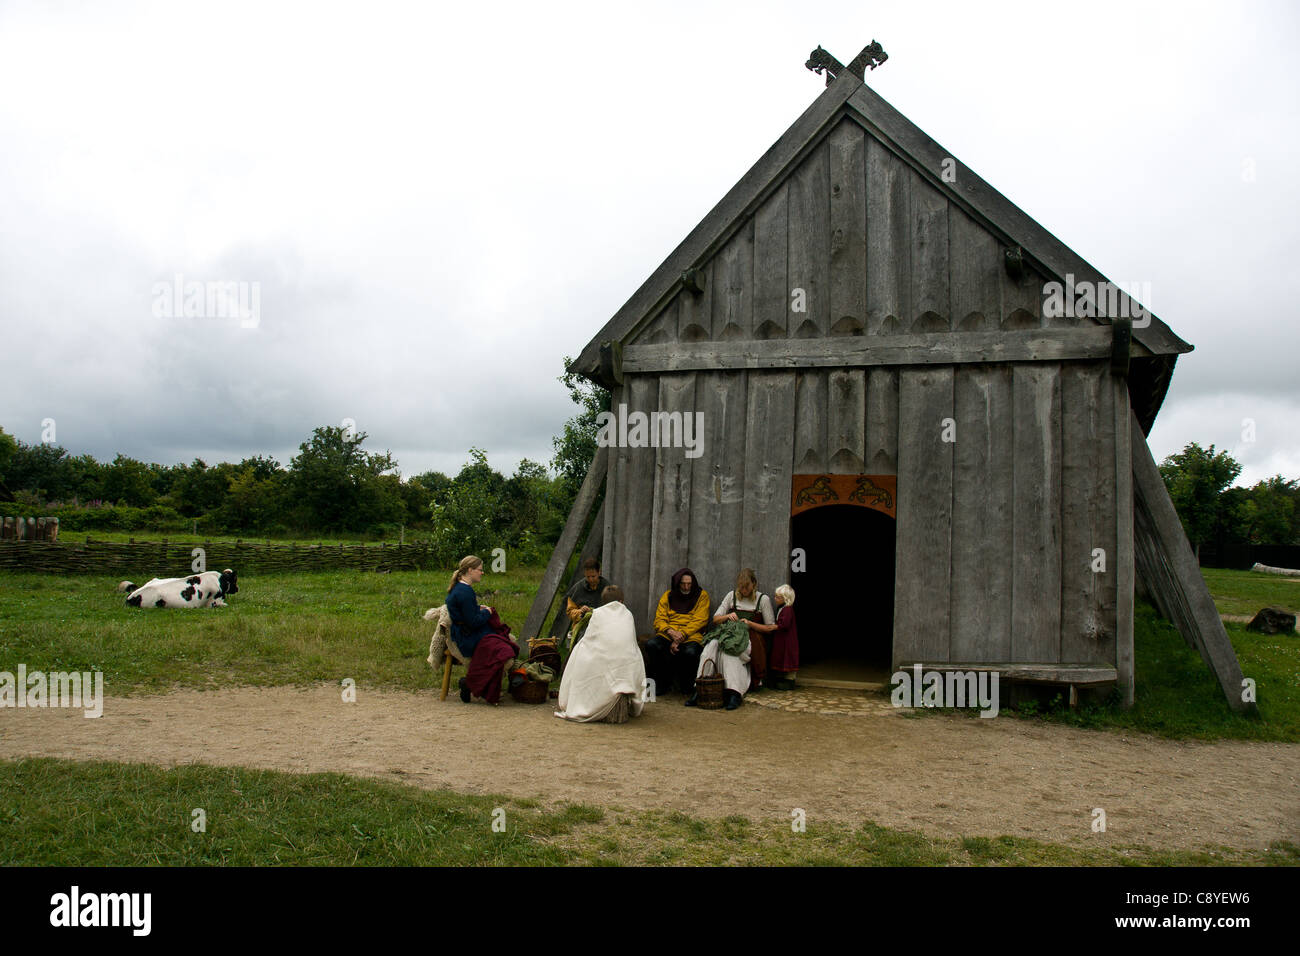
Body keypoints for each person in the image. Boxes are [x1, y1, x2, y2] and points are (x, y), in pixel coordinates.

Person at [554, 585, 646, 724]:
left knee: (580, 651)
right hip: (625, 663)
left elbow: (590, 639)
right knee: (636, 654)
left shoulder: (597, 614)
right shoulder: (628, 614)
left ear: (604, 602)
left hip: (603, 659)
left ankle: (584, 699)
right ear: (621, 601)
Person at [688, 568, 775, 710]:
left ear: (754, 584)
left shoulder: (762, 599)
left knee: (730, 651)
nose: (744, 590)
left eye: (747, 586)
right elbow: (716, 619)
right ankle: (700, 689)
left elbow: (771, 627)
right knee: (711, 646)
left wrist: (750, 624)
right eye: (741, 587)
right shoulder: (731, 596)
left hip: (749, 637)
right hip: (728, 634)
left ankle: (734, 692)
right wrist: (727, 616)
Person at [445, 554, 519, 705]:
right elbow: (473, 622)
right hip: (467, 638)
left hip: (468, 632)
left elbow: (465, 612)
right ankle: (470, 684)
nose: (482, 572)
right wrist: (488, 612)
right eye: (480, 569)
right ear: (470, 570)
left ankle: (471, 683)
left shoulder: (461, 588)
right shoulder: (465, 592)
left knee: (504, 642)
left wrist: (478, 608)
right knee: (504, 651)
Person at [644, 567, 710, 695]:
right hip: (669, 633)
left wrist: (681, 636)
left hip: (691, 635)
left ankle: (687, 687)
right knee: (652, 645)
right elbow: (659, 619)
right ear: (677, 583)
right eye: (683, 584)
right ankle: (660, 685)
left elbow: (700, 620)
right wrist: (670, 631)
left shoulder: (702, 596)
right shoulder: (668, 595)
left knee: (691, 652)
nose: (686, 587)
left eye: (689, 584)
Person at [747, 584, 798, 690]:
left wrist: (774, 626)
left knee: (787, 656)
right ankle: (780, 678)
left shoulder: (787, 609)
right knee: (780, 656)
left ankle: (789, 681)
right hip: (781, 639)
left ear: (786, 598)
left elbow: (785, 624)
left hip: (787, 640)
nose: (775, 599)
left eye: (778, 597)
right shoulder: (782, 608)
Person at [564, 558, 612, 625]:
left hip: (603, 625)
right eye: (588, 577)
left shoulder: (607, 588)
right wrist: (580, 612)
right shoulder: (578, 588)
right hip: (582, 627)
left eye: (593, 576)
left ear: (599, 572)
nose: (591, 579)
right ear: (584, 574)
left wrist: (593, 612)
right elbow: (570, 611)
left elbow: (612, 610)